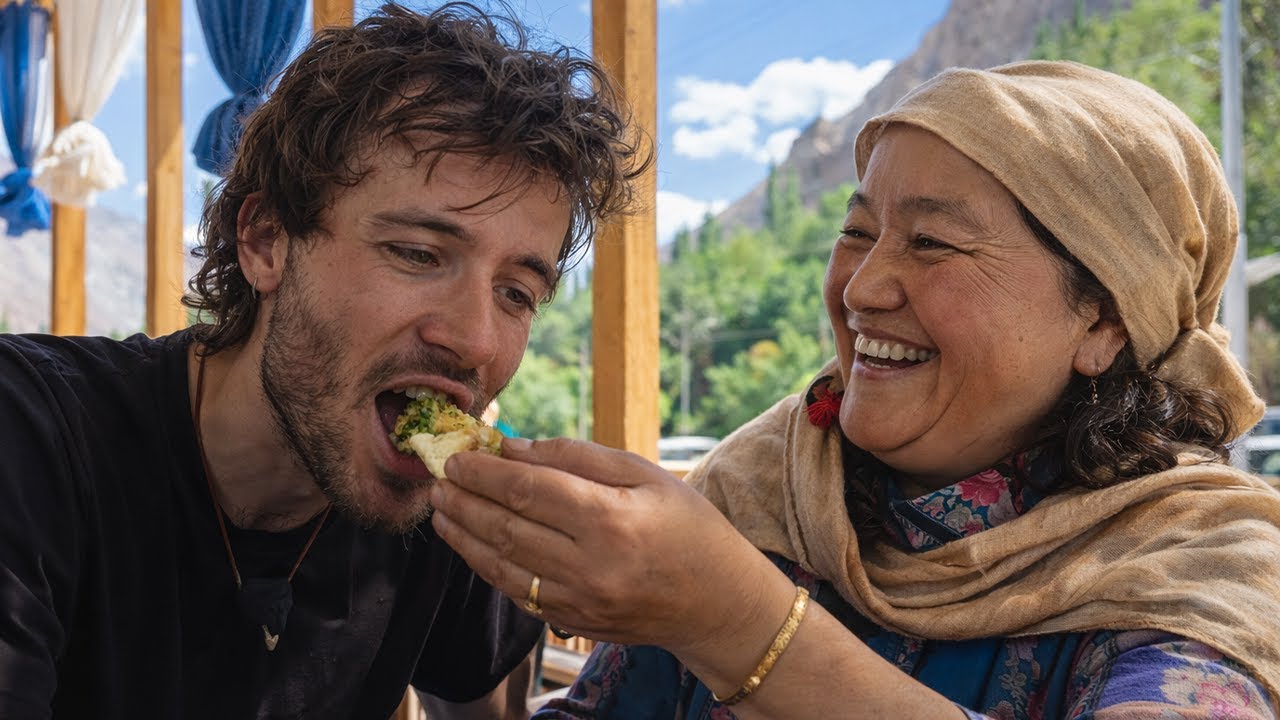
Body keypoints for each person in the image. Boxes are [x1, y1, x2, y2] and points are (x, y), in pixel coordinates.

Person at [426, 60, 1280, 719]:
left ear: (1104, 322)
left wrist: (737, 623)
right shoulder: (761, 488)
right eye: (857, 231)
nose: (863, 287)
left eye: (933, 243)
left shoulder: (1203, 565)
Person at [0, 2, 645, 718]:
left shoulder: (450, 520)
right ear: (266, 241)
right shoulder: (29, 436)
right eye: (417, 254)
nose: (477, 341)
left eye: (517, 293)